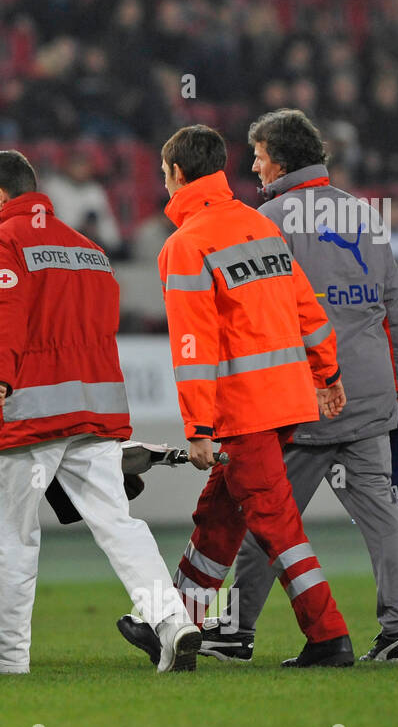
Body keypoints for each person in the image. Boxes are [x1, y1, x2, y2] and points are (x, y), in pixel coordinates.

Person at [0, 150, 201, 676]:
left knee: (14, 538)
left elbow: (3, 315)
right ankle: (173, 622)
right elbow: (103, 318)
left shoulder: (4, 242)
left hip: (29, 412)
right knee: (119, 525)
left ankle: (7, 655)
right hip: (95, 408)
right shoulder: (88, 248)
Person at [117, 124, 354, 668]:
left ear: (177, 175)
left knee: (277, 527)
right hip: (287, 403)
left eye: (164, 175)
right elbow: (308, 313)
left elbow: (195, 348)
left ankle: (330, 637)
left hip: (243, 413)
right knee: (219, 519)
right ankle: (173, 622)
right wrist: (328, 375)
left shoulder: (185, 246)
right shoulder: (259, 226)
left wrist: (198, 428)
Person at [198, 109, 398, 663]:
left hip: (308, 395)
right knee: (383, 517)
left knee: (266, 512)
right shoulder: (365, 214)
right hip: (371, 390)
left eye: (259, 156)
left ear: (281, 160)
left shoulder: (266, 219)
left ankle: (235, 630)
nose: (253, 166)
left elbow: (265, 309)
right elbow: (392, 305)